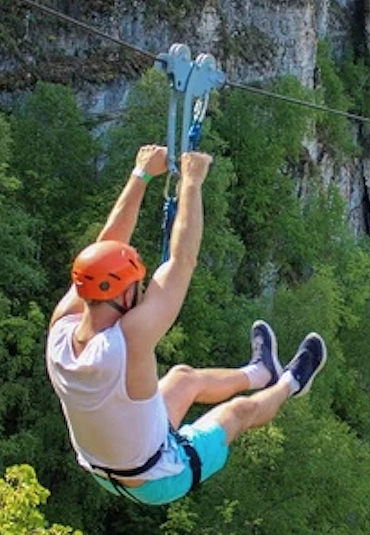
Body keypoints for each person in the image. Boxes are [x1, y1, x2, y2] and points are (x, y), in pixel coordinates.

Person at [46, 144, 327, 506]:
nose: (143, 290)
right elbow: (183, 261)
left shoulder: (62, 328)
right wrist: (191, 182)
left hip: (109, 464)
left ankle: (261, 371)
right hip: (155, 476)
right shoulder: (127, 341)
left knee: (183, 377)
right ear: (125, 295)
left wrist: (141, 175)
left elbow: (106, 246)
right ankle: (291, 382)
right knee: (238, 413)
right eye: (139, 286)